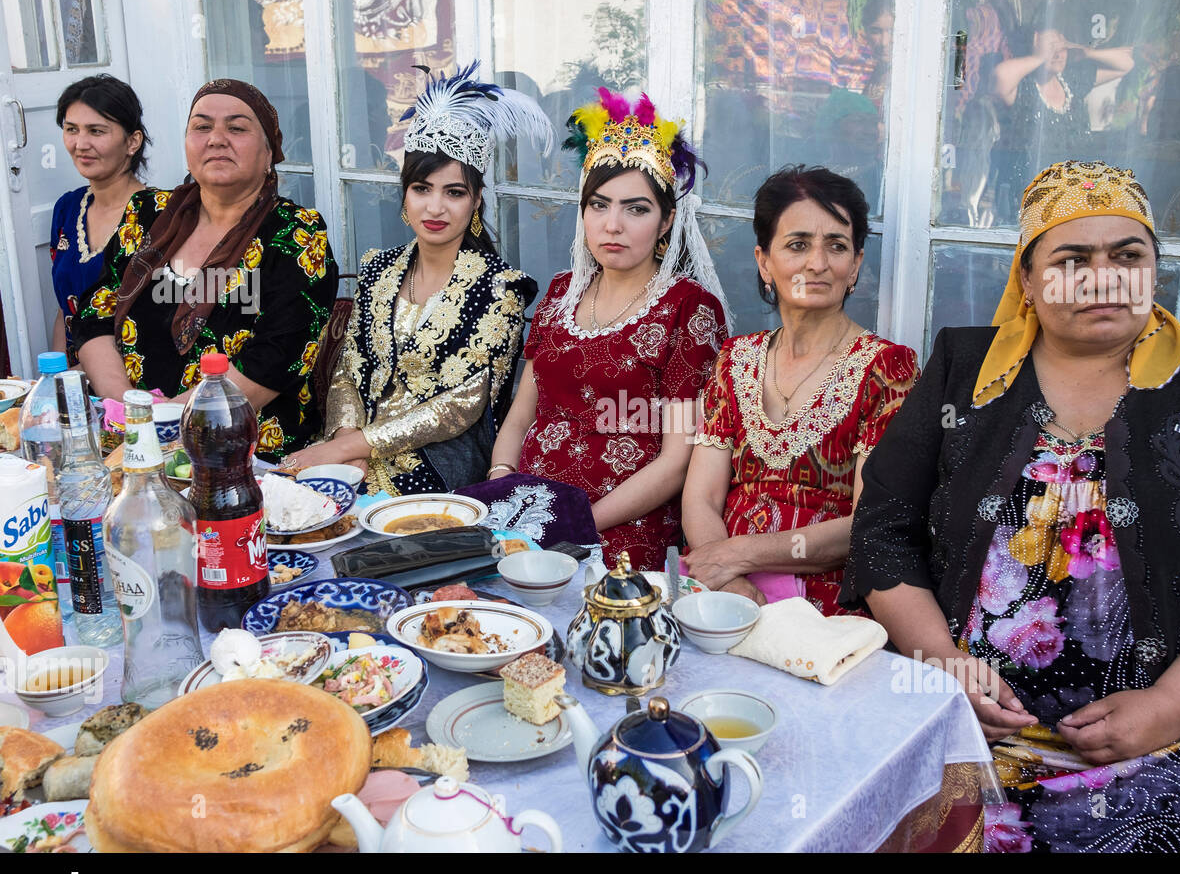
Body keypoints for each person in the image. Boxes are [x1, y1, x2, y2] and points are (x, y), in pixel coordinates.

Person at [842, 160, 1180, 853]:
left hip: (1169, 741)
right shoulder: (967, 369)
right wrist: (943, 665)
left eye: (1128, 255)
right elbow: (883, 527)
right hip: (966, 723)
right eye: (1071, 258)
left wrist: (1168, 709)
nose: (1103, 276)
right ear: (1025, 280)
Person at [490, 88, 729, 571]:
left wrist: (576, 525)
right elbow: (520, 416)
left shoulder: (689, 309)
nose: (612, 225)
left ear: (667, 222)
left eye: (636, 209)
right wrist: (501, 483)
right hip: (525, 513)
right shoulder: (562, 291)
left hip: (620, 527)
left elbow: (676, 460)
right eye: (599, 205)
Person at [284, 64, 549, 495]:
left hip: (437, 460)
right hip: (351, 445)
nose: (436, 208)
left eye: (455, 192)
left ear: (477, 200)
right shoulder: (378, 269)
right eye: (422, 189)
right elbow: (349, 370)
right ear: (404, 193)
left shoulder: (502, 289)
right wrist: (341, 444)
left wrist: (357, 448)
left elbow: (461, 406)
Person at [681, 166, 916, 612]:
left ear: (856, 265)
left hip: (823, 601)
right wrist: (730, 583)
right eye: (798, 244)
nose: (818, 263)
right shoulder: (735, 359)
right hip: (725, 587)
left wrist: (735, 555)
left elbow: (866, 524)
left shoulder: (887, 370)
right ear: (764, 261)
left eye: (837, 246)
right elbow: (701, 496)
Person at [71, 79, 338, 461]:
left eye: (237, 127)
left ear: (269, 154)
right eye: (201, 126)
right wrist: (131, 409)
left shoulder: (295, 234)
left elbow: (278, 358)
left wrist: (169, 424)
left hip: (244, 454)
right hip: (131, 441)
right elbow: (96, 314)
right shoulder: (146, 214)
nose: (216, 139)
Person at [50, 75, 151, 366]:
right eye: (71, 129)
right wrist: (58, 382)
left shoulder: (158, 214)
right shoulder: (67, 208)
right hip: (76, 385)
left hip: (133, 386)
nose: (81, 144)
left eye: (96, 131)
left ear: (132, 141)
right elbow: (63, 310)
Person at [993, 23, 1133, 217]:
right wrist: (1040, 57)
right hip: (1031, 195)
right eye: (1051, 46)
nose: (1058, 53)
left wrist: (1086, 52)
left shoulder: (1072, 82)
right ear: (1034, 44)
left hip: (1075, 195)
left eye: (1062, 48)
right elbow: (1001, 75)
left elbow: (1126, 64)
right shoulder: (1024, 86)